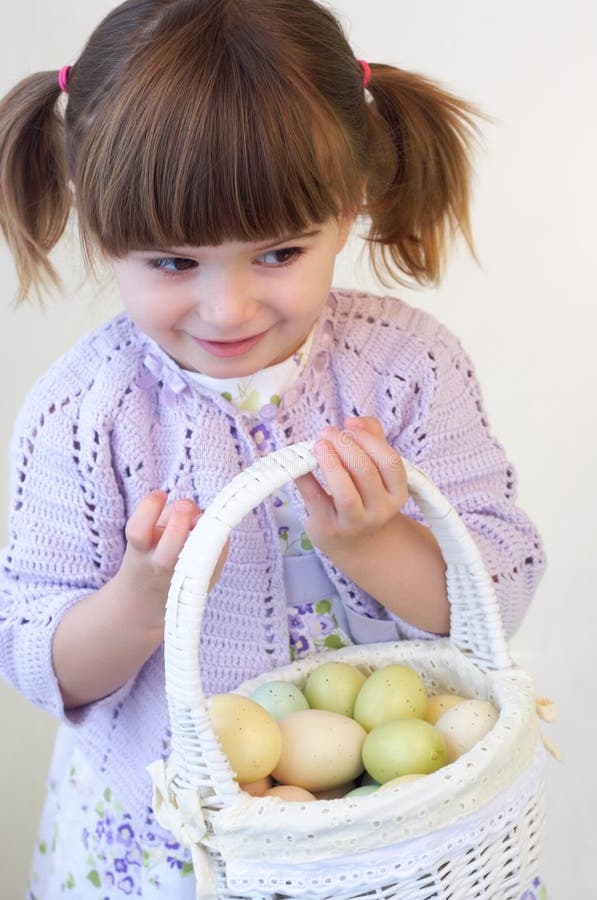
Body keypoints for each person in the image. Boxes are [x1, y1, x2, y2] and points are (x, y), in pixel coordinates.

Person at [0, 1, 547, 897]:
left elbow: (500, 588)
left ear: (350, 206)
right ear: (100, 231)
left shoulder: (405, 370)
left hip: (387, 828)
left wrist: (374, 545)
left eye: (280, 252)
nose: (229, 309)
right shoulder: (85, 411)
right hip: (176, 842)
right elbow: (36, 658)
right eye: (174, 263)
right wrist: (140, 600)